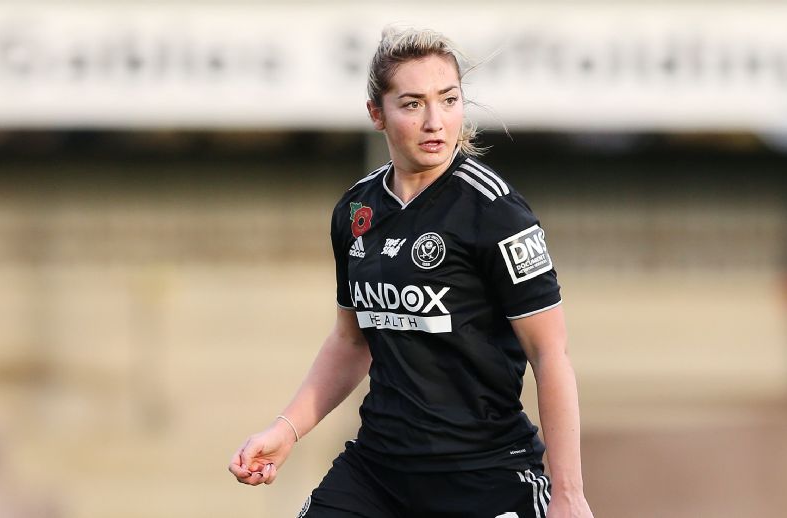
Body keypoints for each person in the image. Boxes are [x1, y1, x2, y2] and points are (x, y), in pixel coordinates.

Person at [229, 26, 593, 518]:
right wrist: (286, 430)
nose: (434, 121)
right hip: (378, 472)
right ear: (376, 114)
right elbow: (351, 340)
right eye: (412, 104)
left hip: (483, 475)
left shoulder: (496, 212)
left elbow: (550, 354)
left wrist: (568, 493)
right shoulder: (356, 210)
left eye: (448, 100)